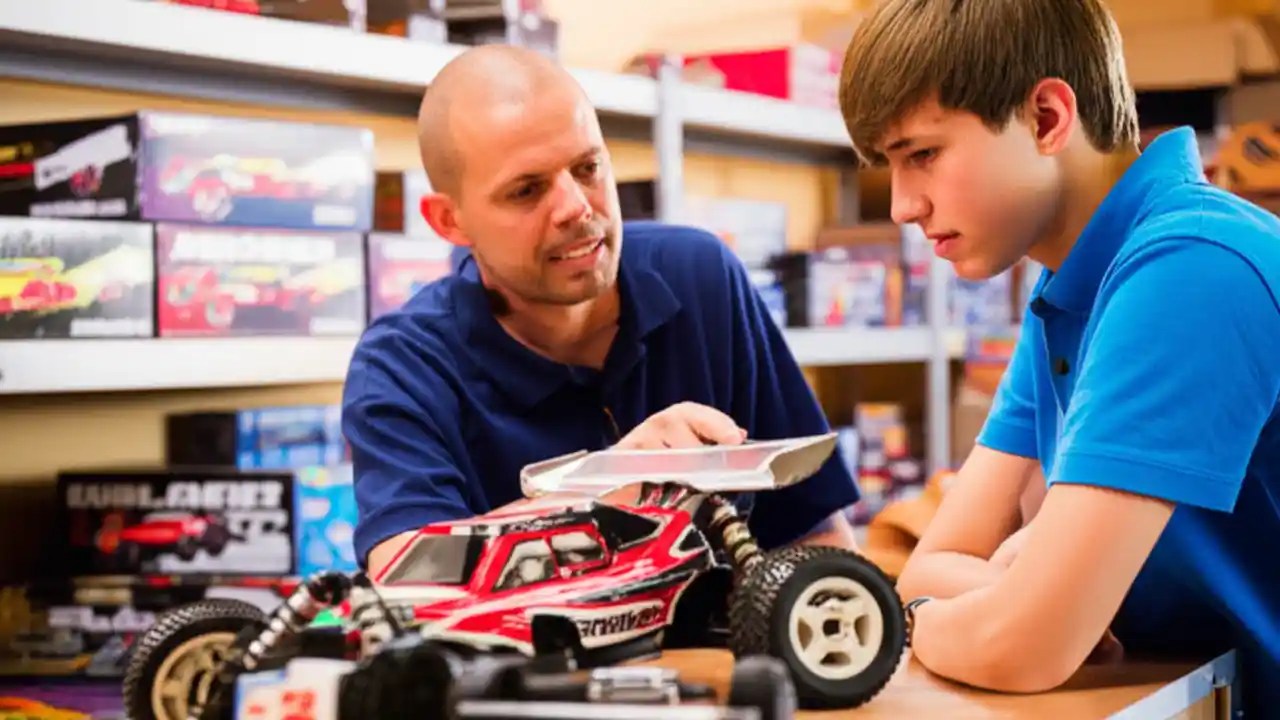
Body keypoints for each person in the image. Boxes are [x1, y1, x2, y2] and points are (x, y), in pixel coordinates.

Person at [837, 0, 1280, 713]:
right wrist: (1015, 597)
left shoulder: (1192, 269)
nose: (901, 206)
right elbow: (932, 563)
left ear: (1047, 118)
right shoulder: (1070, 287)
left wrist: (916, 621)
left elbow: (1022, 646)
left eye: (922, 154)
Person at [341, 44, 862, 578]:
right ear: (450, 221)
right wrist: (606, 488)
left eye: (588, 167)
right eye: (526, 190)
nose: (576, 206)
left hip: (722, 659)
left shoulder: (702, 277)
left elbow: (817, 536)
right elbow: (407, 576)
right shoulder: (402, 365)